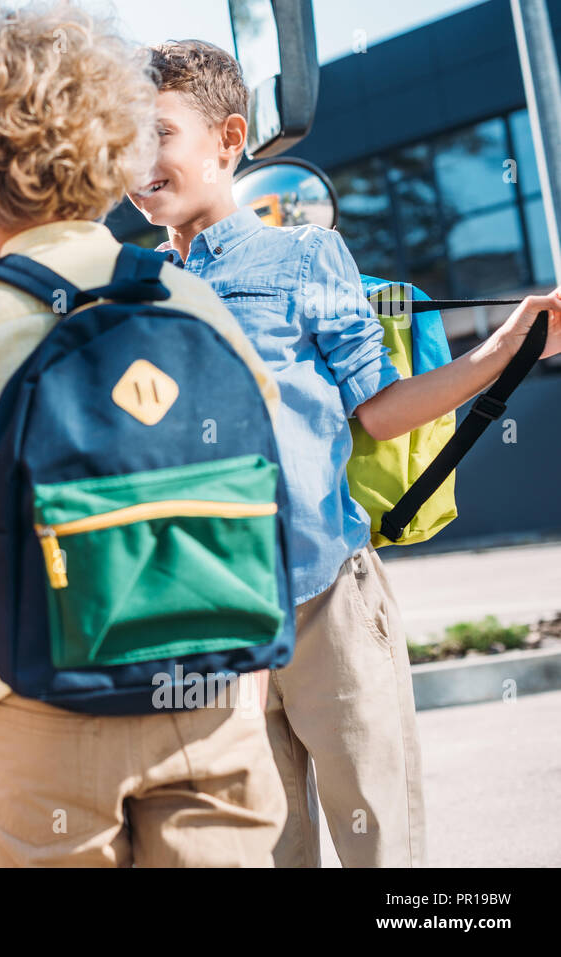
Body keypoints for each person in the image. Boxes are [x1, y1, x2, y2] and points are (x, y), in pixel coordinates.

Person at [129, 39, 561, 867]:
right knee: (266, 853)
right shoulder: (130, 289)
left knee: (380, 849)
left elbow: (384, 411)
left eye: (158, 134)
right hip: (216, 624)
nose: (136, 160)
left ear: (228, 138)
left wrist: (507, 346)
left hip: (330, 597)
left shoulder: (304, 257)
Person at [0, 4, 288, 868]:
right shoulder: (188, 300)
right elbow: (260, 501)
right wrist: (245, 698)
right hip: (208, 693)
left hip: (42, 715)